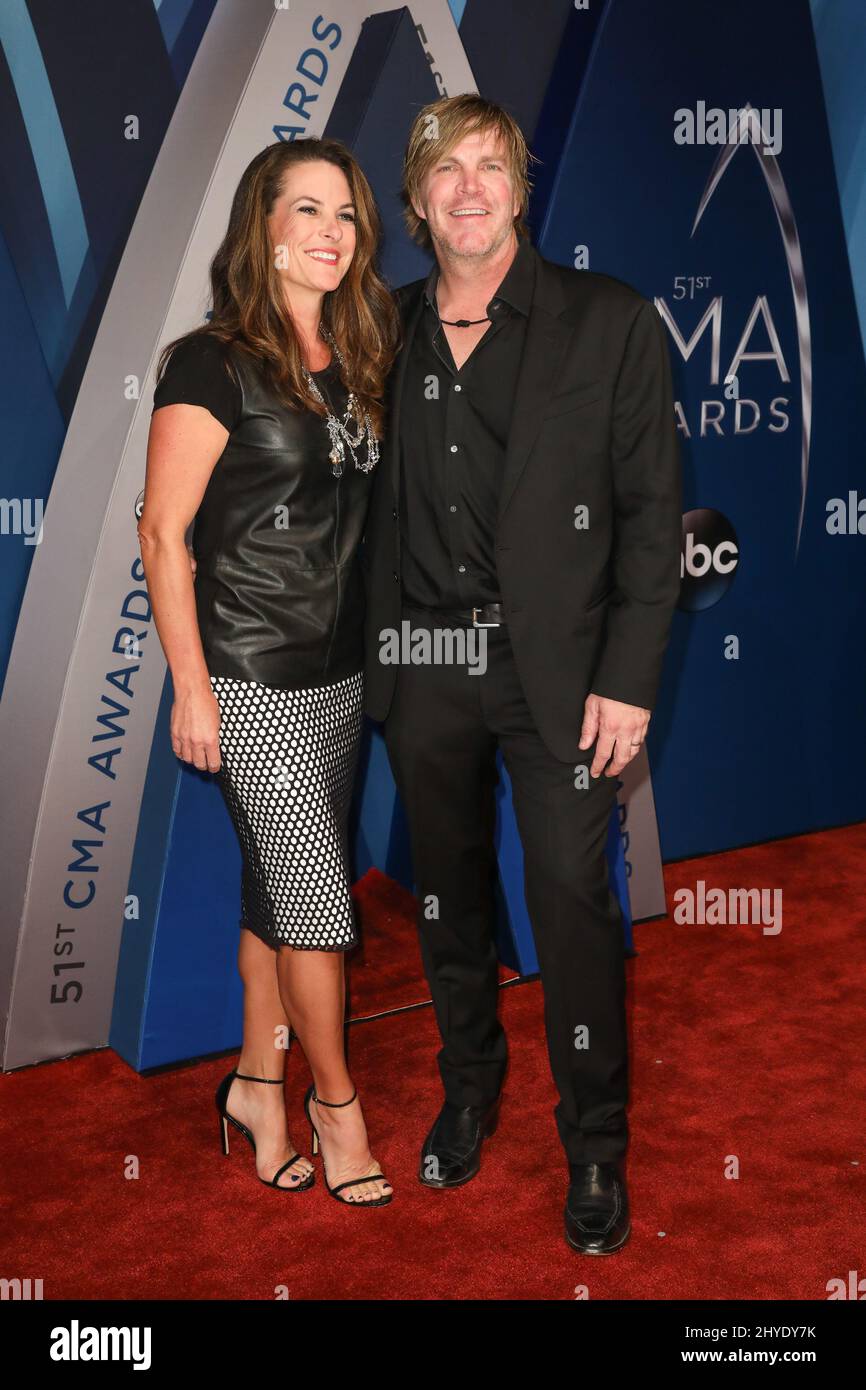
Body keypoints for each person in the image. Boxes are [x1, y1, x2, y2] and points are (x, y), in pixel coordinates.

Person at [362, 95, 682, 1252]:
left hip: (563, 675)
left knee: (571, 903)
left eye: (488, 166)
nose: (466, 188)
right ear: (413, 202)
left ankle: (594, 1146)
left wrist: (628, 677)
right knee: (446, 903)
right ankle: (468, 1089)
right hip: (424, 662)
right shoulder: (379, 332)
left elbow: (651, 519)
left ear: (519, 189)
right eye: (443, 171)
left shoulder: (607, 322)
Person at [140, 138, 399, 1206]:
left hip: (338, 676)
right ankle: (336, 1110)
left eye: (344, 213)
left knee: (276, 896)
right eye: (306, 209)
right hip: (250, 676)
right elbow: (162, 532)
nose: (330, 233)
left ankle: (256, 1085)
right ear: (264, 225)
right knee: (318, 910)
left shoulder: (356, 349)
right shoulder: (211, 359)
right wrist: (192, 684)